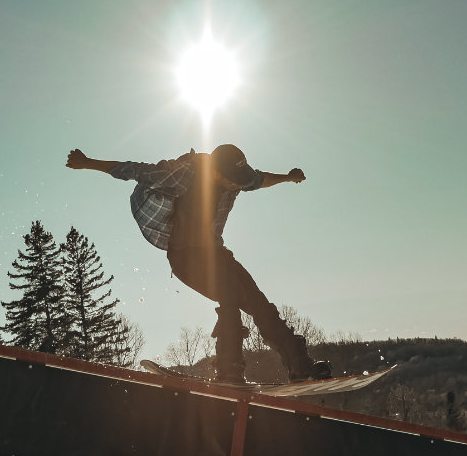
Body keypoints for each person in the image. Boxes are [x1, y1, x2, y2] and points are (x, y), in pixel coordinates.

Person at [66, 144, 331, 384]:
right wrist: (87, 162)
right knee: (228, 296)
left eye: (237, 182)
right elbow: (134, 170)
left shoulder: (241, 179)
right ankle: (229, 370)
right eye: (229, 180)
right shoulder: (185, 175)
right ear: (214, 171)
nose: (233, 185)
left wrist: (288, 177)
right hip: (185, 257)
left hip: (216, 253)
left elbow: (260, 180)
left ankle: (300, 367)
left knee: (260, 303)